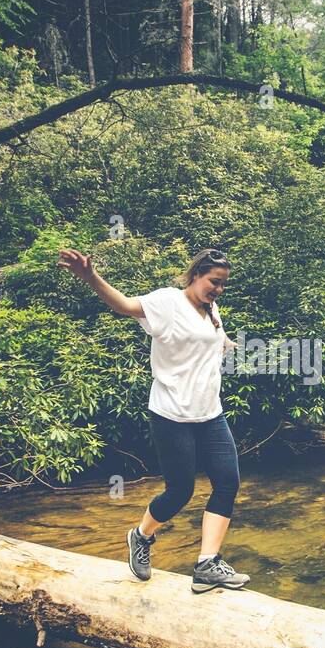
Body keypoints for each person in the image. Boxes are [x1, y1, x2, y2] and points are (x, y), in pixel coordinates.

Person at [56, 246, 251, 593]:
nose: (218, 289)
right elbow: (126, 306)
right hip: (172, 414)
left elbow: (209, 340)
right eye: (214, 282)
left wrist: (228, 343)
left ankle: (207, 564)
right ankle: (141, 536)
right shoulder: (168, 302)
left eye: (223, 285)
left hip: (210, 413)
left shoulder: (210, 309)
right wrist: (90, 277)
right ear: (195, 275)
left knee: (227, 482)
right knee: (180, 491)